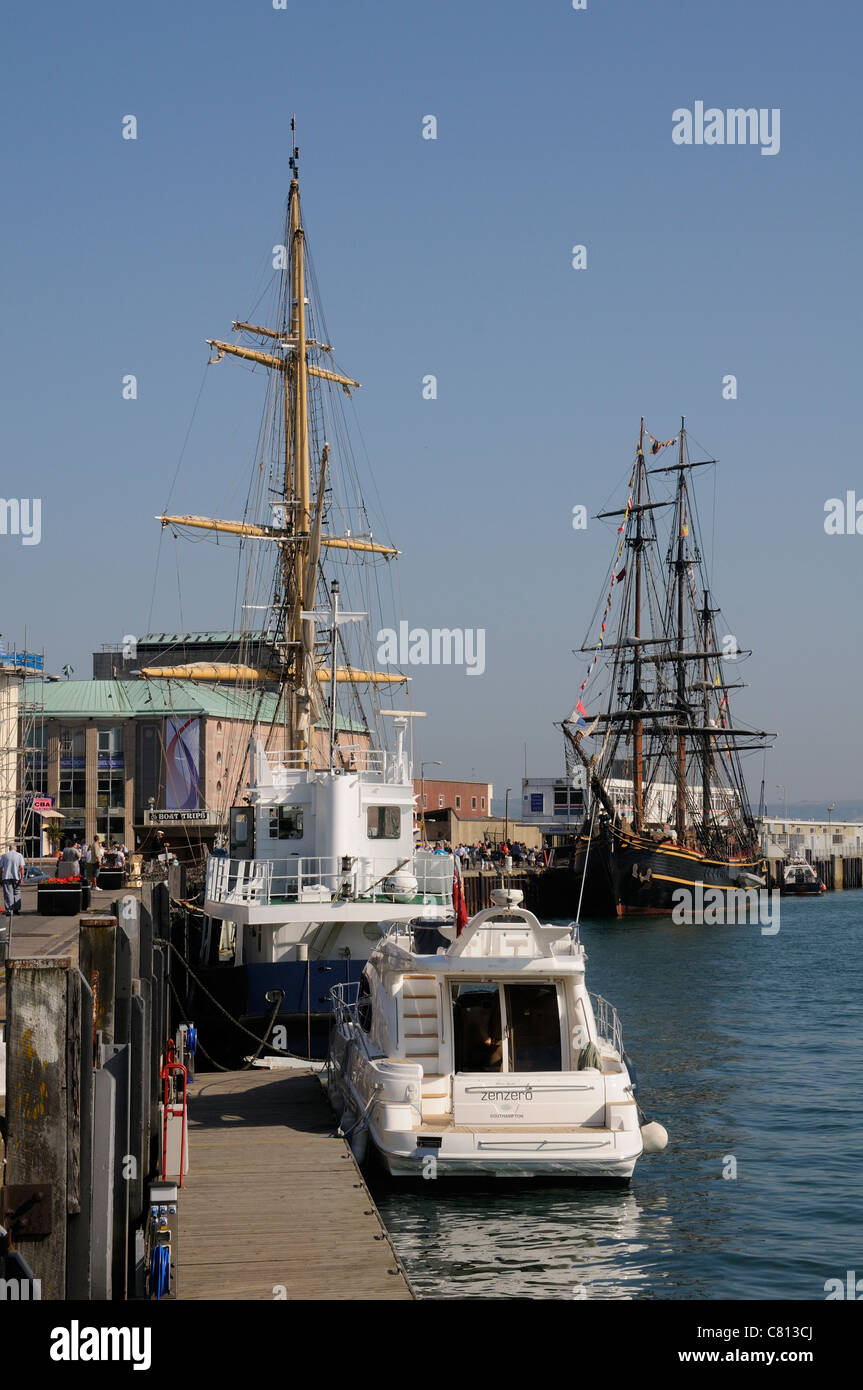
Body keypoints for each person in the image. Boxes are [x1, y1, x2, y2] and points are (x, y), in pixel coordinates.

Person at [1, 842, 26, 917]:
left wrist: (0, 878)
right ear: (16, 849)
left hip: (6, 877)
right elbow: (22, 868)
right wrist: (21, 878)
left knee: (8, 894)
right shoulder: (19, 855)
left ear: (9, 849)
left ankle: (9, 910)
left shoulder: (4, 856)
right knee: (17, 893)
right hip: (16, 877)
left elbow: (1, 868)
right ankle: (16, 910)